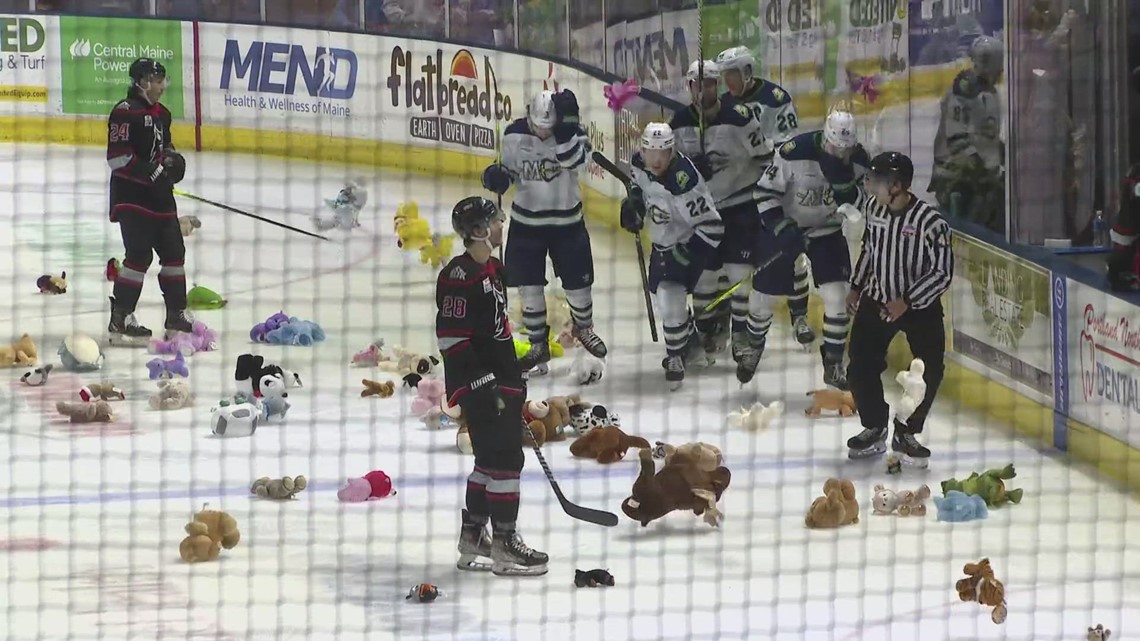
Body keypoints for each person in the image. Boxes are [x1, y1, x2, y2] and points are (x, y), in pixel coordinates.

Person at [436, 196, 547, 577]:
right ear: (480, 230)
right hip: (481, 385)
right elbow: (452, 339)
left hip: (500, 380)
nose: (502, 224)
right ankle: (503, 542)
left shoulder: (491, 269)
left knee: (488, 460)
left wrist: (515, 363)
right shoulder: (458, 276)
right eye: (497, 220)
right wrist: (483, 382)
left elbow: (494, 330)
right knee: (506, 461)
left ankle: (472, 537)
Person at [736, 110, 870, 389]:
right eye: (835, 147)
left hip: (827, 233)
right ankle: (754, 346)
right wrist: (781, 227)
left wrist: (847, 191)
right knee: (763, 297)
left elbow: (863, 204)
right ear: (825, 138)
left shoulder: (859, 160)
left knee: (838, 297)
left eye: (846, 149)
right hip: (785, 229)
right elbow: (764, 193)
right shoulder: (794, 152)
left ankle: (833, 363)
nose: (841, 154)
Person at [481, 88, 607, 376]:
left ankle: (584, 328)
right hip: (526, 224)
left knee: (578, 286)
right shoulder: (513, 134)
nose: (542, 133)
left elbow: (576, 162)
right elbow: (507, 170)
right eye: (537, 126)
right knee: (529, 287)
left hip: (568, 224)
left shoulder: (574, 134)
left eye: (548, 128)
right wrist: (495, 176)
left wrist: (564, 132)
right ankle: (538, 343)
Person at [846, 152, 954, 468]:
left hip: (920, 307)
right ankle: (875, 425)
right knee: (860, 363)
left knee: (929, 369)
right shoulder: (873, 208)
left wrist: (907, 299)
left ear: (896, 185)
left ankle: (906, 431)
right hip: (877, 299)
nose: (870, 185)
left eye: (876, 180)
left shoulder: (932, 223)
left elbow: (942, 272)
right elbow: (869, 249)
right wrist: (856, 286)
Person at [669, 60, 772, 362]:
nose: (703, 91)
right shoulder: (677, 123)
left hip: (740, 206)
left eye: (709, 84)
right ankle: (706, 329)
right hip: (703, 214)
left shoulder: (741, 117)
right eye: (697, 85)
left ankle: (740, 333)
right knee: (704, 278)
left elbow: (766, 157)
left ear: (718, 85)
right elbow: (668, 169)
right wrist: (690, 169)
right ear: (689, 87)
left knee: (740, 273)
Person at [715, 44, 815, 346]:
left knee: (791, 254)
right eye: (724, 76)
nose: (728, 82)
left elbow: (789, 146)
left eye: (732, 74)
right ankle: (727, 320)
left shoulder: (775, 99)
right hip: (740, 195)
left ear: (747, 71)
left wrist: (760, 152)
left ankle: (799, 315)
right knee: (733, 261)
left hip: (777, 191)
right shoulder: (723, 104)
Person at [621, 122, 724, 390]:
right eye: (650, 152)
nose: (656, 160)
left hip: (688, 246)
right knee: (665, 302)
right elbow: (638, 187)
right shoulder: (639, 163)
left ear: (672, 151)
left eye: (663, 153)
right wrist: (633, 206)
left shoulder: (684, 180)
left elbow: (713, 227)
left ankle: (675, 356)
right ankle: (691, 344)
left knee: (669, 300)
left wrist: (686, 252)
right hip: (662, 247)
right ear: (642, 151)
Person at [105, 57, 190, 344]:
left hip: (159, 198)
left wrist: (172, 162)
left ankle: (176, 314)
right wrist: (152, 172)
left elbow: (164, 148)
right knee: (139, 255)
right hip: (131, 197)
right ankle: (121, 316)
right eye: (158, 79)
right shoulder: (124, 111)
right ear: (142, 81)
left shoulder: (163, 114)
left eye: (163, 79)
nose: (163, 85)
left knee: (174, 252)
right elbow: (118, 158)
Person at [929, 35, 1004, 232]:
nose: (1001, 71)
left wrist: (1001, 154)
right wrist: (984, 169)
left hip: (977, 179)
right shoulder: (964, 91)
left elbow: (985, 135)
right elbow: (957, 140)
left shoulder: (989, 92)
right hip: (957, 180)